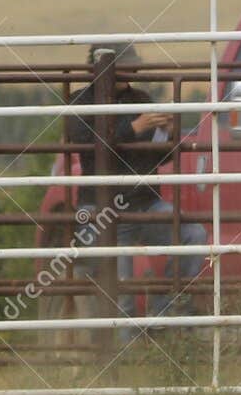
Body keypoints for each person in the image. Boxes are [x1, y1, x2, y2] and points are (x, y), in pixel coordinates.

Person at [67, 43, 206, 327]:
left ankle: (165, 314)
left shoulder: (139, 99)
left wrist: (167, 135)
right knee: (120, 297)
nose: (133, 70)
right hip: (101, 208)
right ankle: (121, 355)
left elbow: (162, 156)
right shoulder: (79, 102)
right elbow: (88, 145)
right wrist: (135, 128)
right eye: (126, 65)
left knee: (193, 235)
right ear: (104, 69)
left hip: (143, 203)